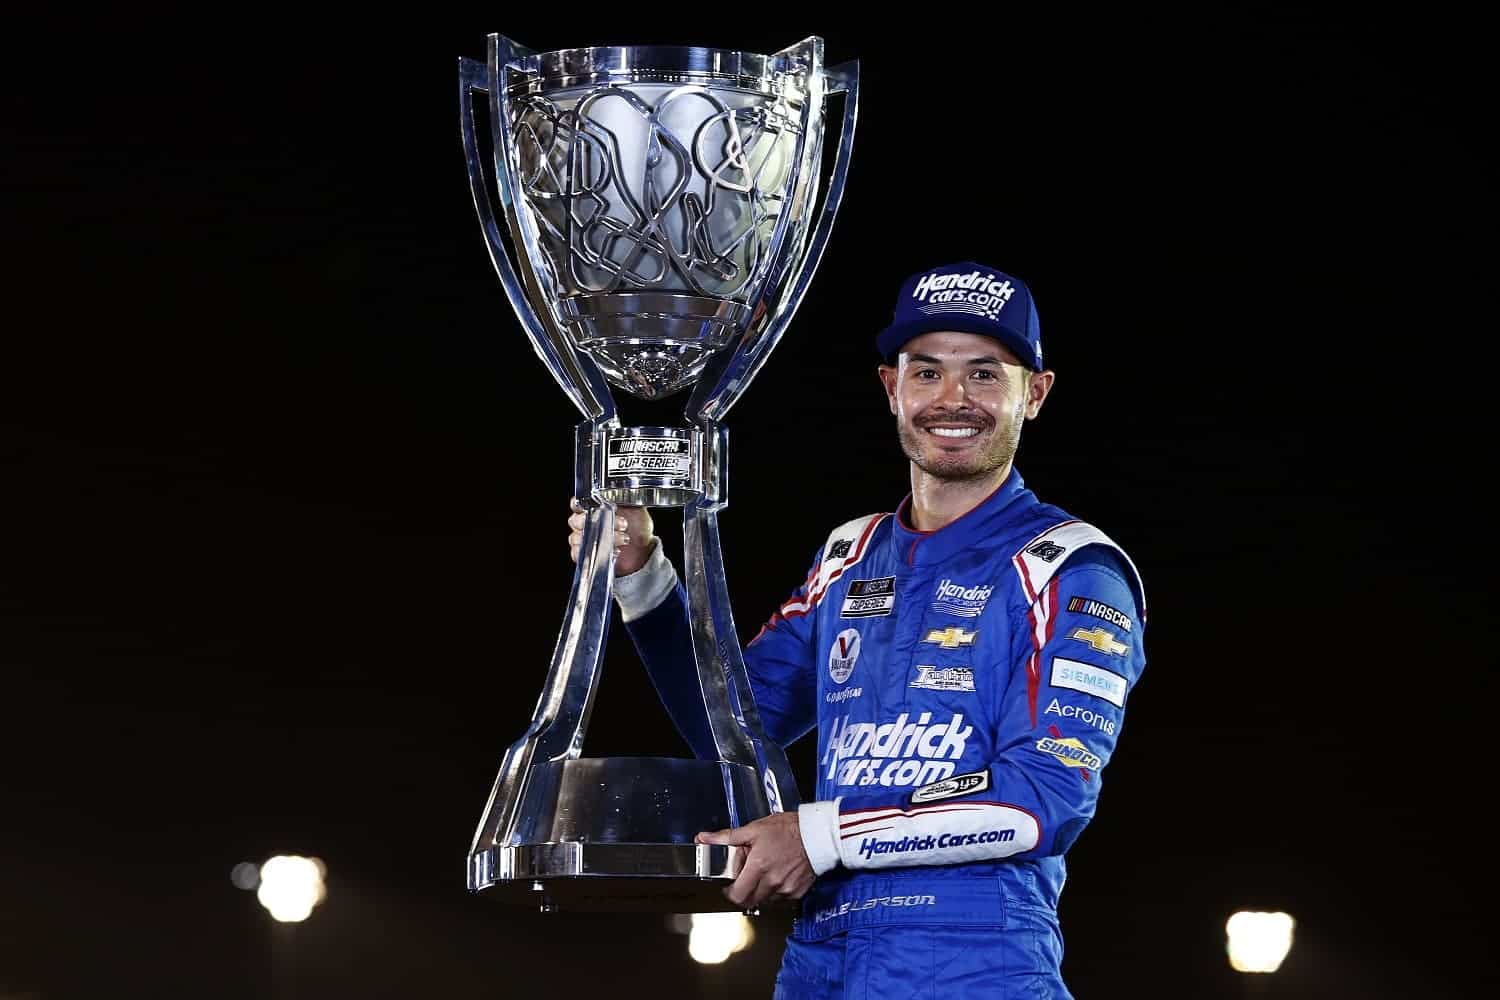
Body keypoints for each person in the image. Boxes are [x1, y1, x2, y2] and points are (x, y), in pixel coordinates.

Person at [567, 261, 1147, 999]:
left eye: (985, 375)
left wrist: (821, 836)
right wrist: (641, 572)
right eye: (928, 372)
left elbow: (1040, 801)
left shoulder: (1074, 567)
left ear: (1034, 394)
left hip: (976, 961)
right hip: (820, 960)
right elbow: (734, 730)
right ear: (890, 387)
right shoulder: (850, 554)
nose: (953, 400)